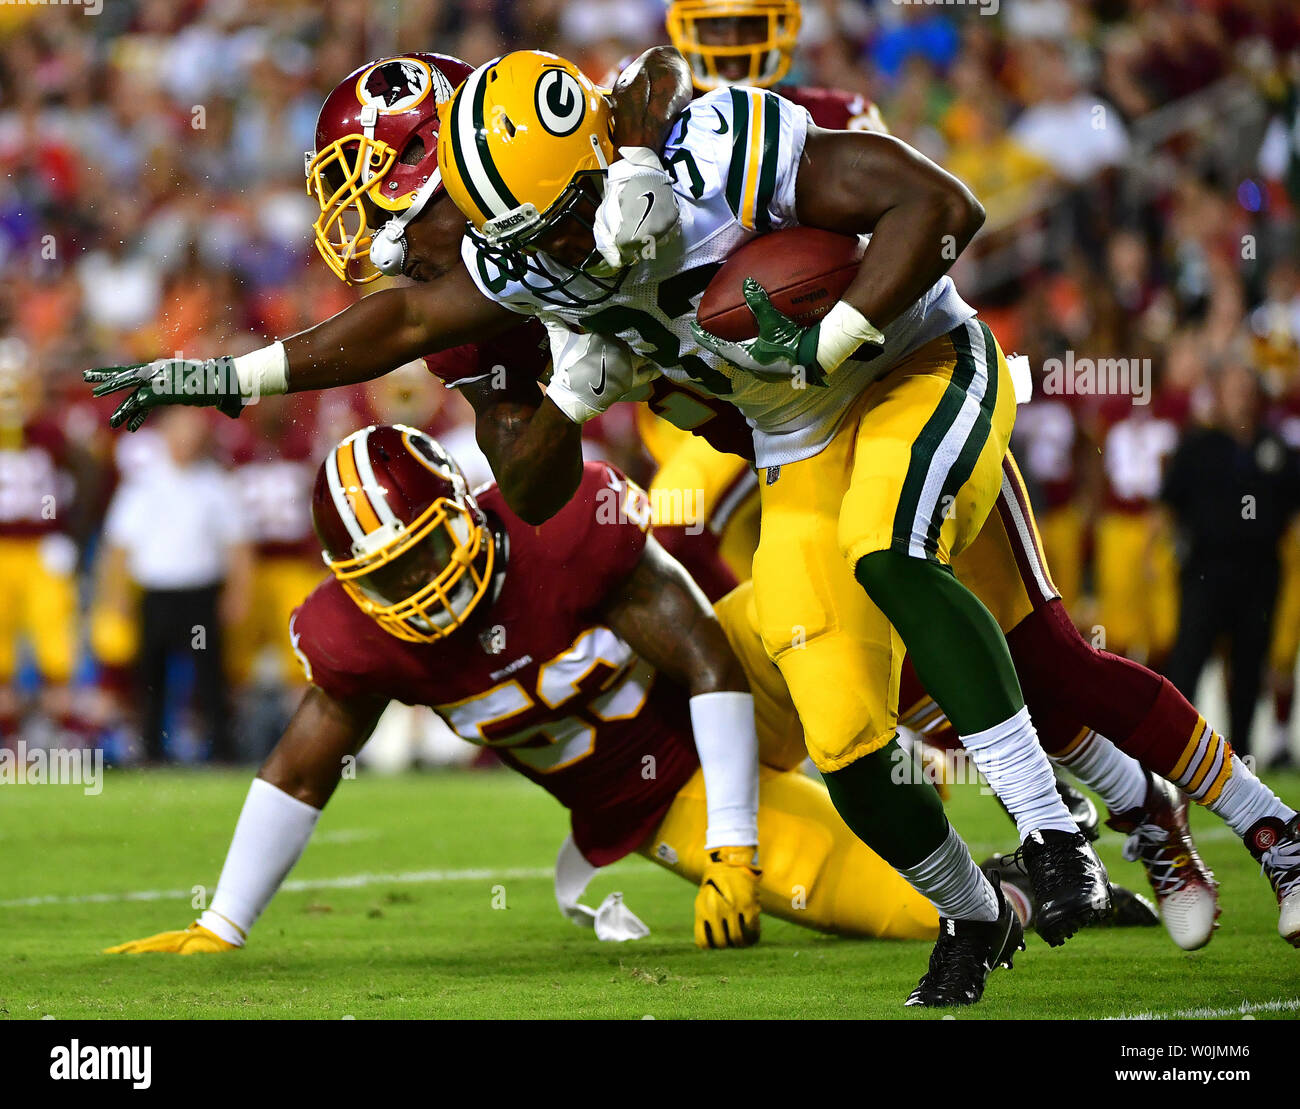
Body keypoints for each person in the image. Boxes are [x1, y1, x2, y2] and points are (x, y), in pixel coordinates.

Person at [82, 43, 1300, 958]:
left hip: (897, 369)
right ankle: (1065, 861)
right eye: (527, 240)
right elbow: (416, 336)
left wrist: (824, 333)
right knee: (860, 706)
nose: (544, 251)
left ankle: (1183, 822)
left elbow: (924, 203)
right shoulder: (502, 264)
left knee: (1009, 636)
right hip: (778, 436)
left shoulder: (697, 139)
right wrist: (222, 374)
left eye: (564, 220)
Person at [104, 427, 946, 961]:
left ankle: (996, 748)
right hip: (655, 794)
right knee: (920, 907)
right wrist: (224, 921)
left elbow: (708, 666)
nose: (422, 585)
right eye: (388, 576)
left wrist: (736, 847)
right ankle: (1020, 880)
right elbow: (297, 773)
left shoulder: (561, 527)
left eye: (426, 552)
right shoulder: (364, 644)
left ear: (465, 513)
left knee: (818, 593)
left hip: (738, 681)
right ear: (351, 589)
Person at [97, 408, 253, 762]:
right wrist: (117, 594)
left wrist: (238, 594)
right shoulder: (143, 484)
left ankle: (222, 751)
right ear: (164, 436)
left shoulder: (216, 484)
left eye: (192, 433)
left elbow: (238, 545)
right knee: (151, 676)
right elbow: (119, 546)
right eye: (179, 432)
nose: (186, 441)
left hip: (201, 592)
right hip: (156, 594)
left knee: (211, 676)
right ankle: (151, 751)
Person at [1162, 362, 1300, 757]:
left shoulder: (1275, 449)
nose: (1241, 398)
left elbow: (1294, 508)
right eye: (1233, 389)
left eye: (1247, 390)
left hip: (1259, 574)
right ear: (1219, 396)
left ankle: (1241, 760)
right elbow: (1168, 505)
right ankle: (1172, 753)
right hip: (1205, 572)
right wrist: (1159, 555)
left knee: (1248, 669)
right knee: (1187, 663)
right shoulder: (1198, 446)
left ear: (1258, 398)